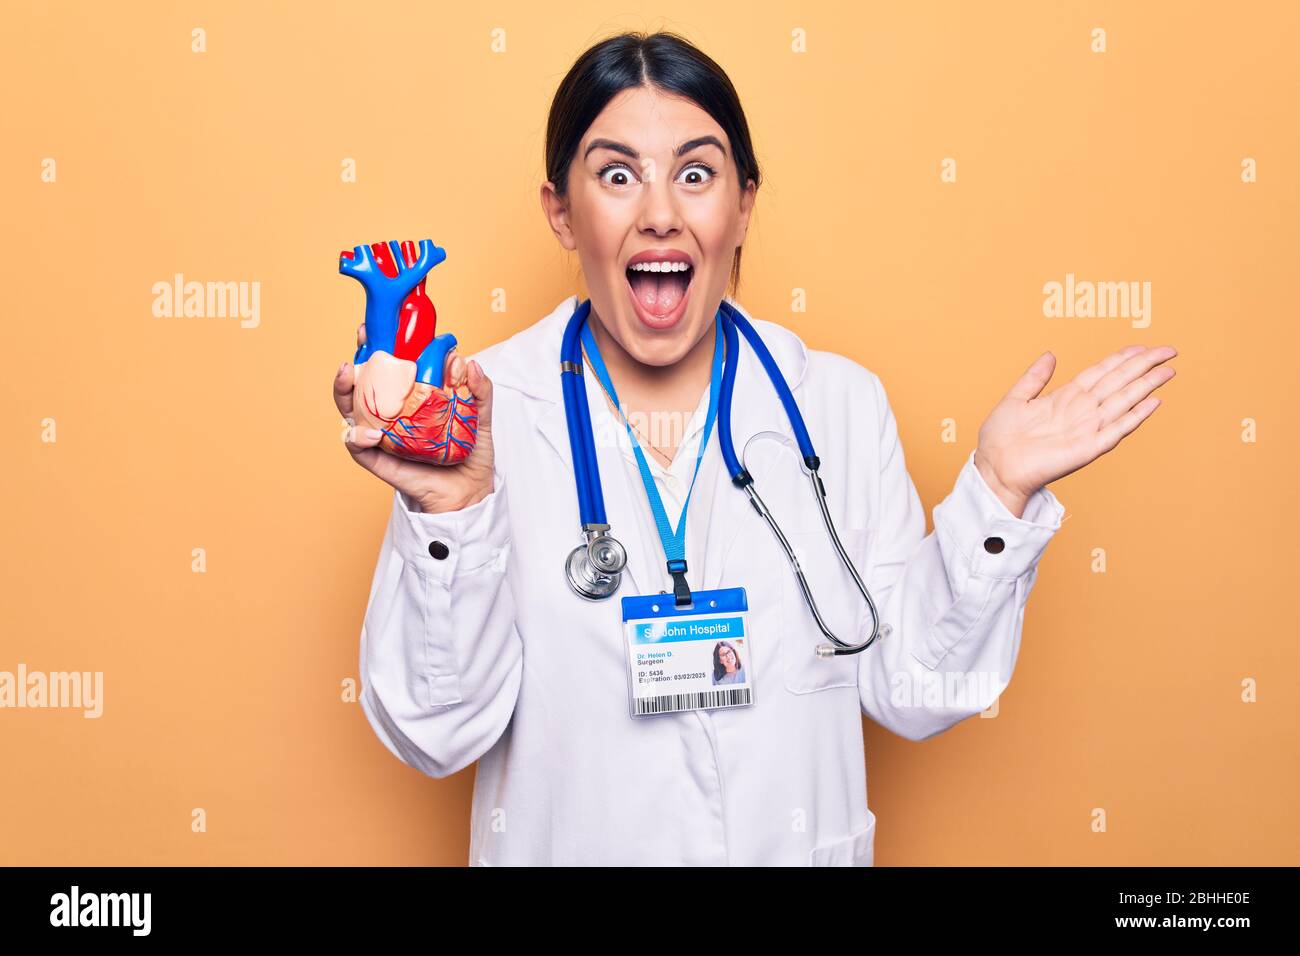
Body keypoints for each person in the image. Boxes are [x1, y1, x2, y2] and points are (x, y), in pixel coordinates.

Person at [332, 31, 1176, 866]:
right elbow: (435, 734)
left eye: (695, 174)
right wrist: (451, 517)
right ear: (561, 211)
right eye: (617, 175)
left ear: (742, 205)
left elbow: (916, 691)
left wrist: (998, 493)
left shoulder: (837, 404)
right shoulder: (484, 414)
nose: (660, 212)